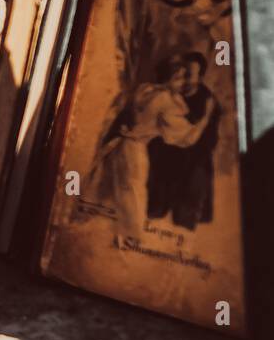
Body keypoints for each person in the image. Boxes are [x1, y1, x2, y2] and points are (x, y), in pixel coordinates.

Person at [90, 56, 217, 240]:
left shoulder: (145, 89)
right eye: (179, 77)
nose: (183, 83)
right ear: (169, 78)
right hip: (134, 151)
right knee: (132, 199)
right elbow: (185, 138)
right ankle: (130, 240)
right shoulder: (166, 100)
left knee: (112, 195)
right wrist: (205, 117)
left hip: (117, 147)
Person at [147, 52, 219, 230]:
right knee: (154, 210)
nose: (183, 81)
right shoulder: (168, 95)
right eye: (180, 74)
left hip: (194, 161)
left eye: (188, 75)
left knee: (185, 215)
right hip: (165, 158)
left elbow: (207, 141)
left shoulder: (208, 101)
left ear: (200, 78)